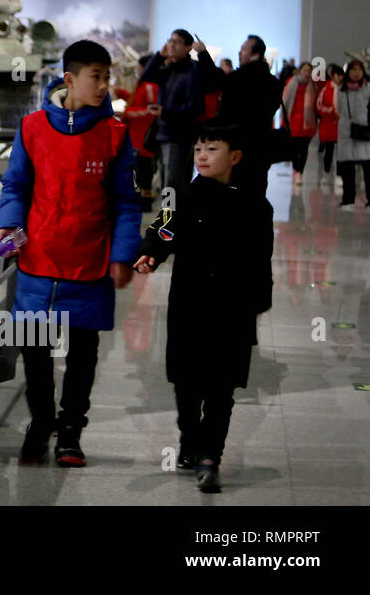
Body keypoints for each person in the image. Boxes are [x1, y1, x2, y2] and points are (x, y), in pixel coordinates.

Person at [0, 39, 142, 467]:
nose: (104, 85)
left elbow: (127, 203)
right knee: (35, 351)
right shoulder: (32, 128)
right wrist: (9, 227)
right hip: (38, 259)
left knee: (83, 353)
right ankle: (41, 422)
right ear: (70, 79)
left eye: (107, 77)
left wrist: (122, 254)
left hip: (91, 262)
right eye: (96, 76)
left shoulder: (114, 135)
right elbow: (16, 185)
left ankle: (71, 432)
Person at [134, 123, 273, 493]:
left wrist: (260, 302)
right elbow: (162, 231)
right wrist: (149, 254)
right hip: (189, 305)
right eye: (198, 150)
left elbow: (262, 259)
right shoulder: (178, 196)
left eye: (212, 149)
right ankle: (190, 439)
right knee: (186, 381)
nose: (202, 156)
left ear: (235, 157)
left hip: (233, 309)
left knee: (221, 387)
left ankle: (210, 456)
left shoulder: (255, 205)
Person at [138, 29, 215, 199]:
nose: (171, 45)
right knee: (168, 181)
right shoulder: (169, 69)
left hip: (180, 134)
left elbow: (195, 107)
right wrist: (159, 55)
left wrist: (166, 112)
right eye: (170, 41)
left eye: (176, 42)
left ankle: (170, 220)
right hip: (164, 132)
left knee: (172, 184)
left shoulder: (192, 71)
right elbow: (145, 76)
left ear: (188, 47)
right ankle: (170, 218)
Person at [217, 34, 282, 194]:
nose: (240, 53)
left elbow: (219, 86)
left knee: (236, 190)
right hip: (262, 146)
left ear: (255, 54)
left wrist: (203, 55)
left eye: (244, 49)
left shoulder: (238, 79)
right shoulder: (272, 81)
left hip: (238, 144)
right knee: (257, 190)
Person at [122, 53, 161, 211]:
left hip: (144, 135)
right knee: (139, 169)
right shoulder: (142, 85)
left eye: (139, 66)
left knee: (144, 170)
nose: (137, 69)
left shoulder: (150, 86)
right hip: (137, 135)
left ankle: (146, 203)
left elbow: (151, 109)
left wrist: (128, 112)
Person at [335, 59, 370, 210]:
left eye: (359, 70)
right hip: (346, 133)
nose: (356, 73)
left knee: (368, 169)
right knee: (347, 170)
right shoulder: (342, 90)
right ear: (348, 72)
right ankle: (348, 199)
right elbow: (339, 109)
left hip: (365, 133)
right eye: (353, 70)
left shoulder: (368, 89)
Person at [281, 62, 318, 186]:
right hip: (293, 122)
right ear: (300, 71)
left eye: (309, 71)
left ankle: (299, 172)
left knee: (304, 150)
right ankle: (296, 170)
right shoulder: (291, 83)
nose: (307, 73)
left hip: (307, 124)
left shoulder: (313, 86)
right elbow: (285, 102)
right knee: (295, 149)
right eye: (305, 70)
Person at [316, 64, 344, 186]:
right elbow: (319, 106)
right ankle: (327, 173)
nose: (340, 78)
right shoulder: (326, 89)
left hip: (342, 125)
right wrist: (332, 112)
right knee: (329, 150)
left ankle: (339, 175)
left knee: (341, 152)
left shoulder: (344, 90)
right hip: (328, 124)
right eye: (338, 75)